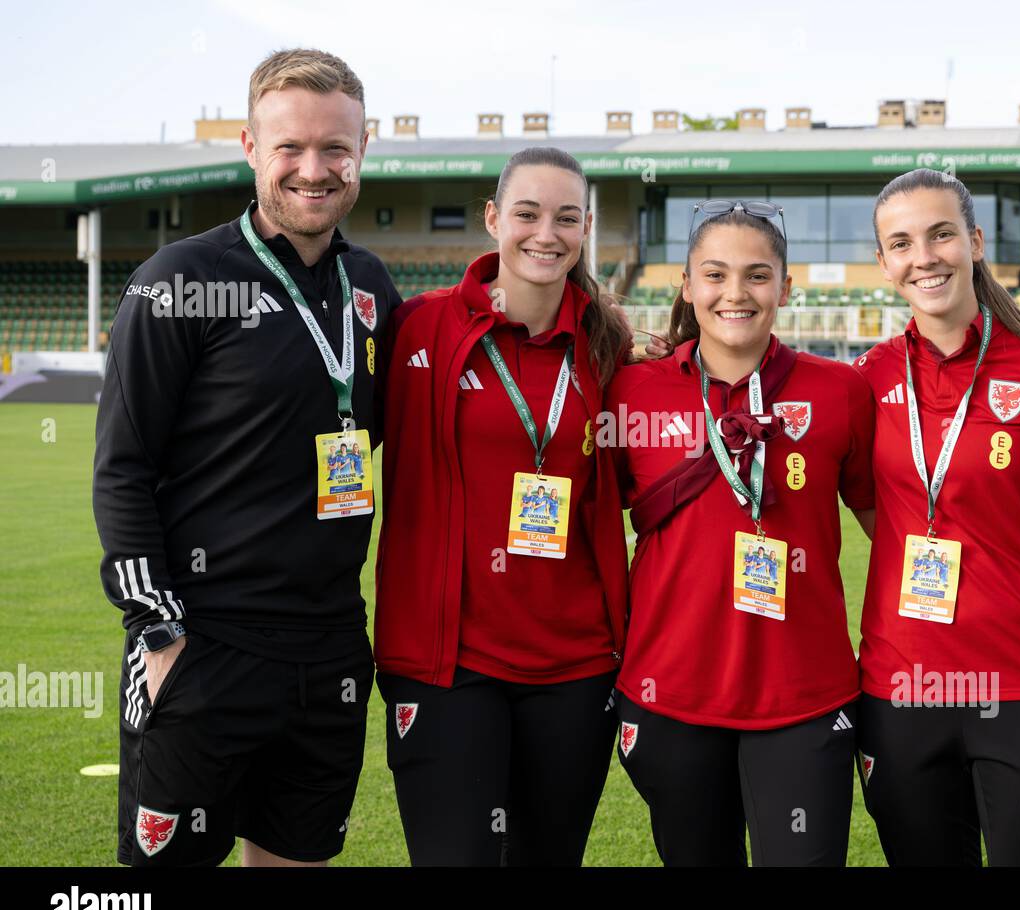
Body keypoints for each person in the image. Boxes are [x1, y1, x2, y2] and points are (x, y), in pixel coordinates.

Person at [93, 49, 400, 867]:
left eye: (335, 148)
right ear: (250, 148)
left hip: (332, 645)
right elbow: (122, 468)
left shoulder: (372, 288)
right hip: (205, 640)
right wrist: (159, 636)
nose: (313, 169)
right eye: (290, 147)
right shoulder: (180, 279)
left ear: (362, 150)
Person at [852, 168, 1020, 866]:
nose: (925, 256)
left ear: (974, 241)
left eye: (941, 234)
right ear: (884, 262)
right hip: (901, 690)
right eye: (903, 243)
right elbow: (868, 506)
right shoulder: (864, 380)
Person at [374, 146, 632, 866]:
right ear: (493, 219)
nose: (544, 233)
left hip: (576, 667)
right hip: (445, 666)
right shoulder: (419, 328)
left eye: (566, 218)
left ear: (584, 231)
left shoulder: (610, 349)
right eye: (526, 213)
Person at [608, 201, 876, 866]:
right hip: (670, 694)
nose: (736, 294)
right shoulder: (630, 391)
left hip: (804, 698)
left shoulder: (840, 391)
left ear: (787, 287)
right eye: (716, 275)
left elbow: (893, 528)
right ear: (687, 284)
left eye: (757, 276)